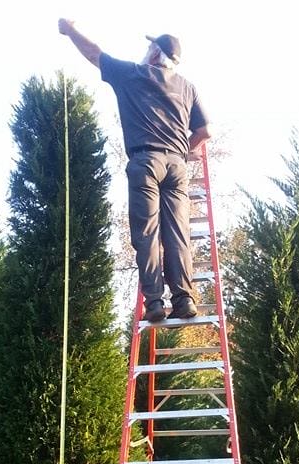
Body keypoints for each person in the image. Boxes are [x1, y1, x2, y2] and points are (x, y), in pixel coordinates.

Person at [58, 20, 212, 324]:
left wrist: (71, 31)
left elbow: (94, 55)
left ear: (155, 53)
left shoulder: (133, 75)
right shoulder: (186, 86)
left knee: (147, 233)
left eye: (148, 47)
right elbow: (205, 130)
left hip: (146, 163)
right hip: (176, 165)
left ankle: (154, 302)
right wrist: (186, 149)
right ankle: (184, 299)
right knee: (178, 233)